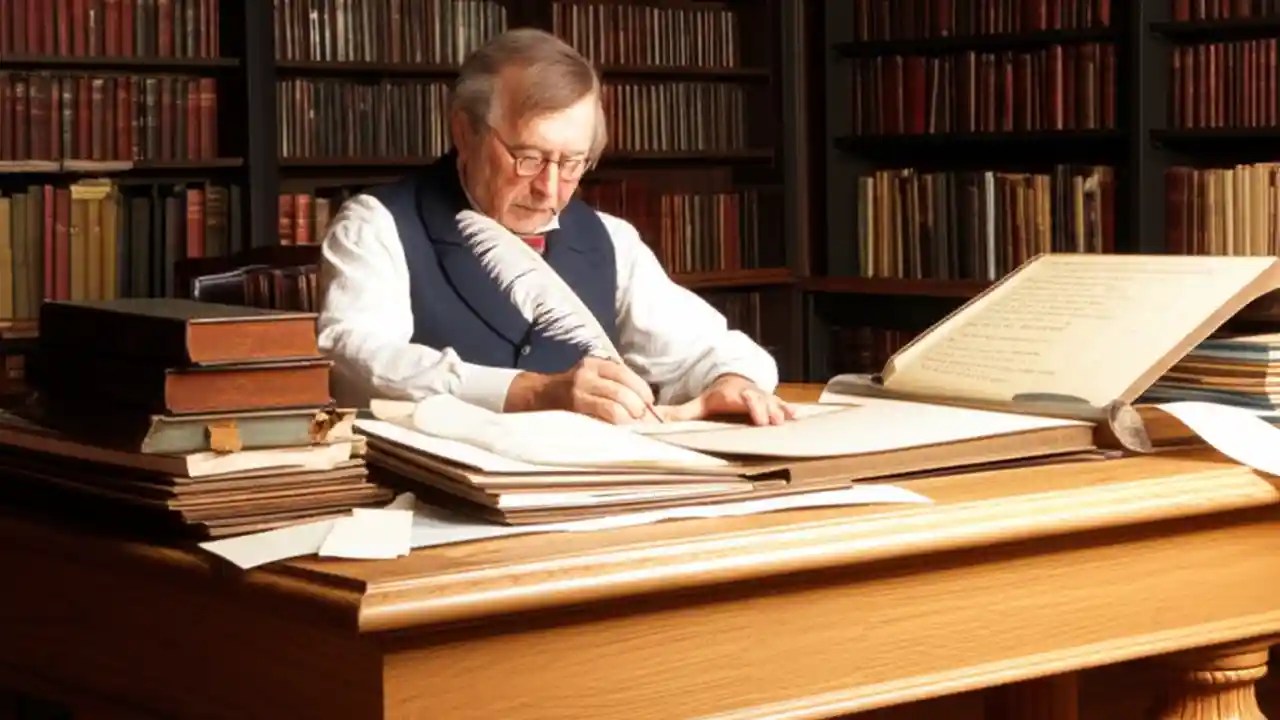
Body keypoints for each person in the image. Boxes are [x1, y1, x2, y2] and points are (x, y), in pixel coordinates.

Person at [316, 28, 794, 426]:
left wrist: (731, 381)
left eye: (572, 164)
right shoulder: (378, 225)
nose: (550, 189)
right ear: (465, 132)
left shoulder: (610, 241)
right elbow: (353, 363)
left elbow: (708, 348)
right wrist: (531, 392)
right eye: (528, 158)